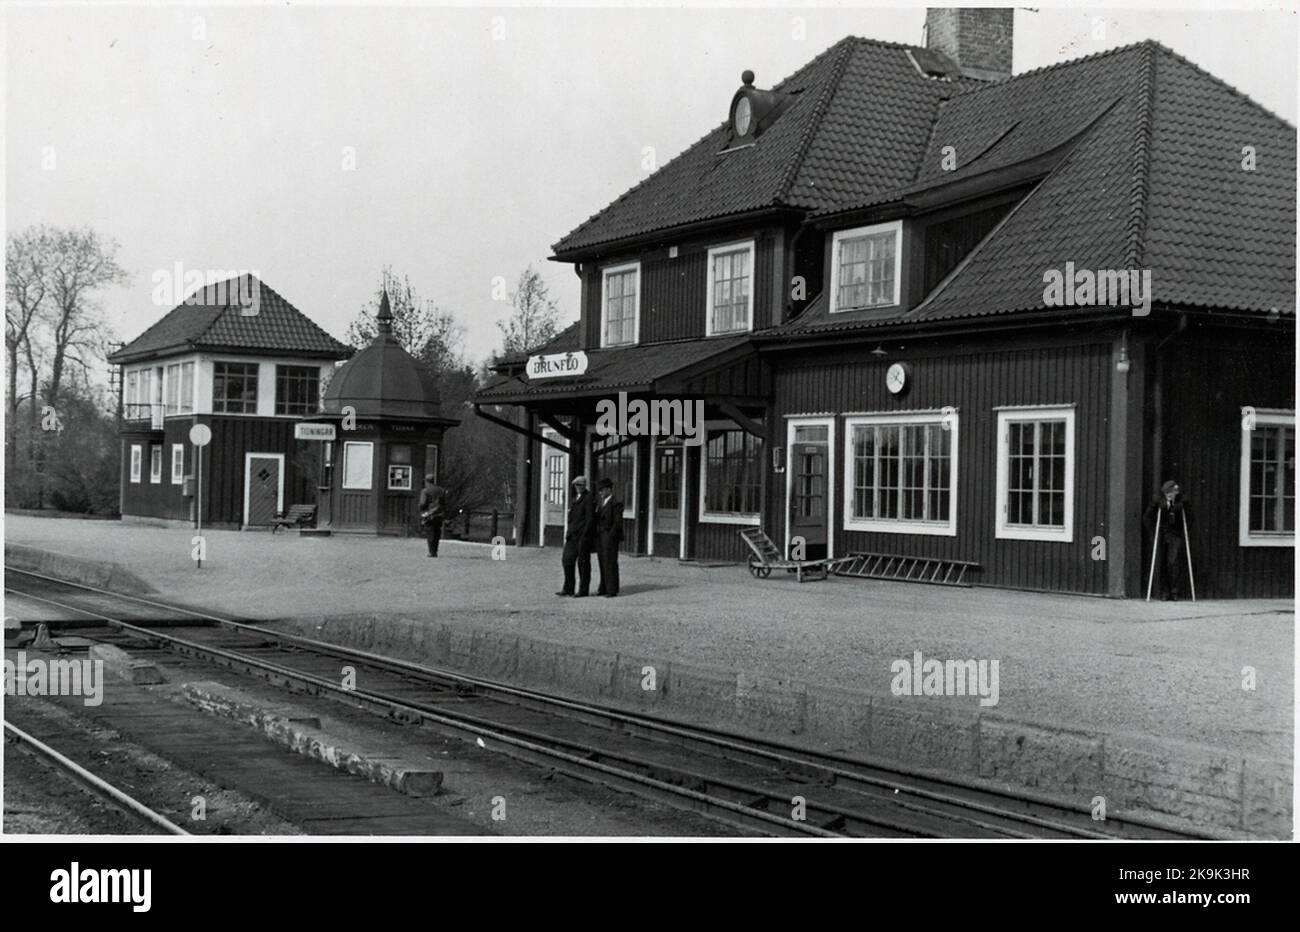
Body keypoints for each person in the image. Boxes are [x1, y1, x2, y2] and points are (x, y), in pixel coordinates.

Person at [1143, 479, 1189, 600]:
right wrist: (1153, 532)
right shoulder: (1158, 501)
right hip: (1162, 534)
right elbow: (1147, 516)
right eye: (1167, 493)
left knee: (1173, 562)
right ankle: (1165, 592)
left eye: (1172, 493)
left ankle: (1174, 592)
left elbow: (1189, 515)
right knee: (1162, 561)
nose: (1169, 495)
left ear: (1176, 492)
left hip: (1175, 535)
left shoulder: (1181, 501)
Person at [557, 475, 596, 597]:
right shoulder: (575, 499)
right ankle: (568, 587)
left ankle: (583, 590)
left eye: (580, 485)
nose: (577, 487)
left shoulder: (588, 498)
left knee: (583, 564)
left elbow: (590, 519)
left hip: (582, 536)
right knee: (567, 560)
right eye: (576, 485)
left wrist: (585, 536)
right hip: (572, 536)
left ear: (584, 485)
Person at [594, 476, 624, 598]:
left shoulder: (616, 503)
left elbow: (617, 522)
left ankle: (612, 589)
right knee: (602, 561)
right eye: (599, 490)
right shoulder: (601, 503)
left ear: (608, 490)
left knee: (610, 562)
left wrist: (611, 536)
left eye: (602, 490)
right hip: (601, 536)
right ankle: (604, 587)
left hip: (609, 536)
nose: (600, 493)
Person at [417, 474, 448, 558]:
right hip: (439, 514)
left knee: (430, 532)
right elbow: (444, 503)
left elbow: (423, 503)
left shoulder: (425, 491)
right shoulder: (441, 490)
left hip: (429, 514)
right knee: (437, 532)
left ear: (426, 481)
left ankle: (431, 551)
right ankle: (435, 550)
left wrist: (420, 507)